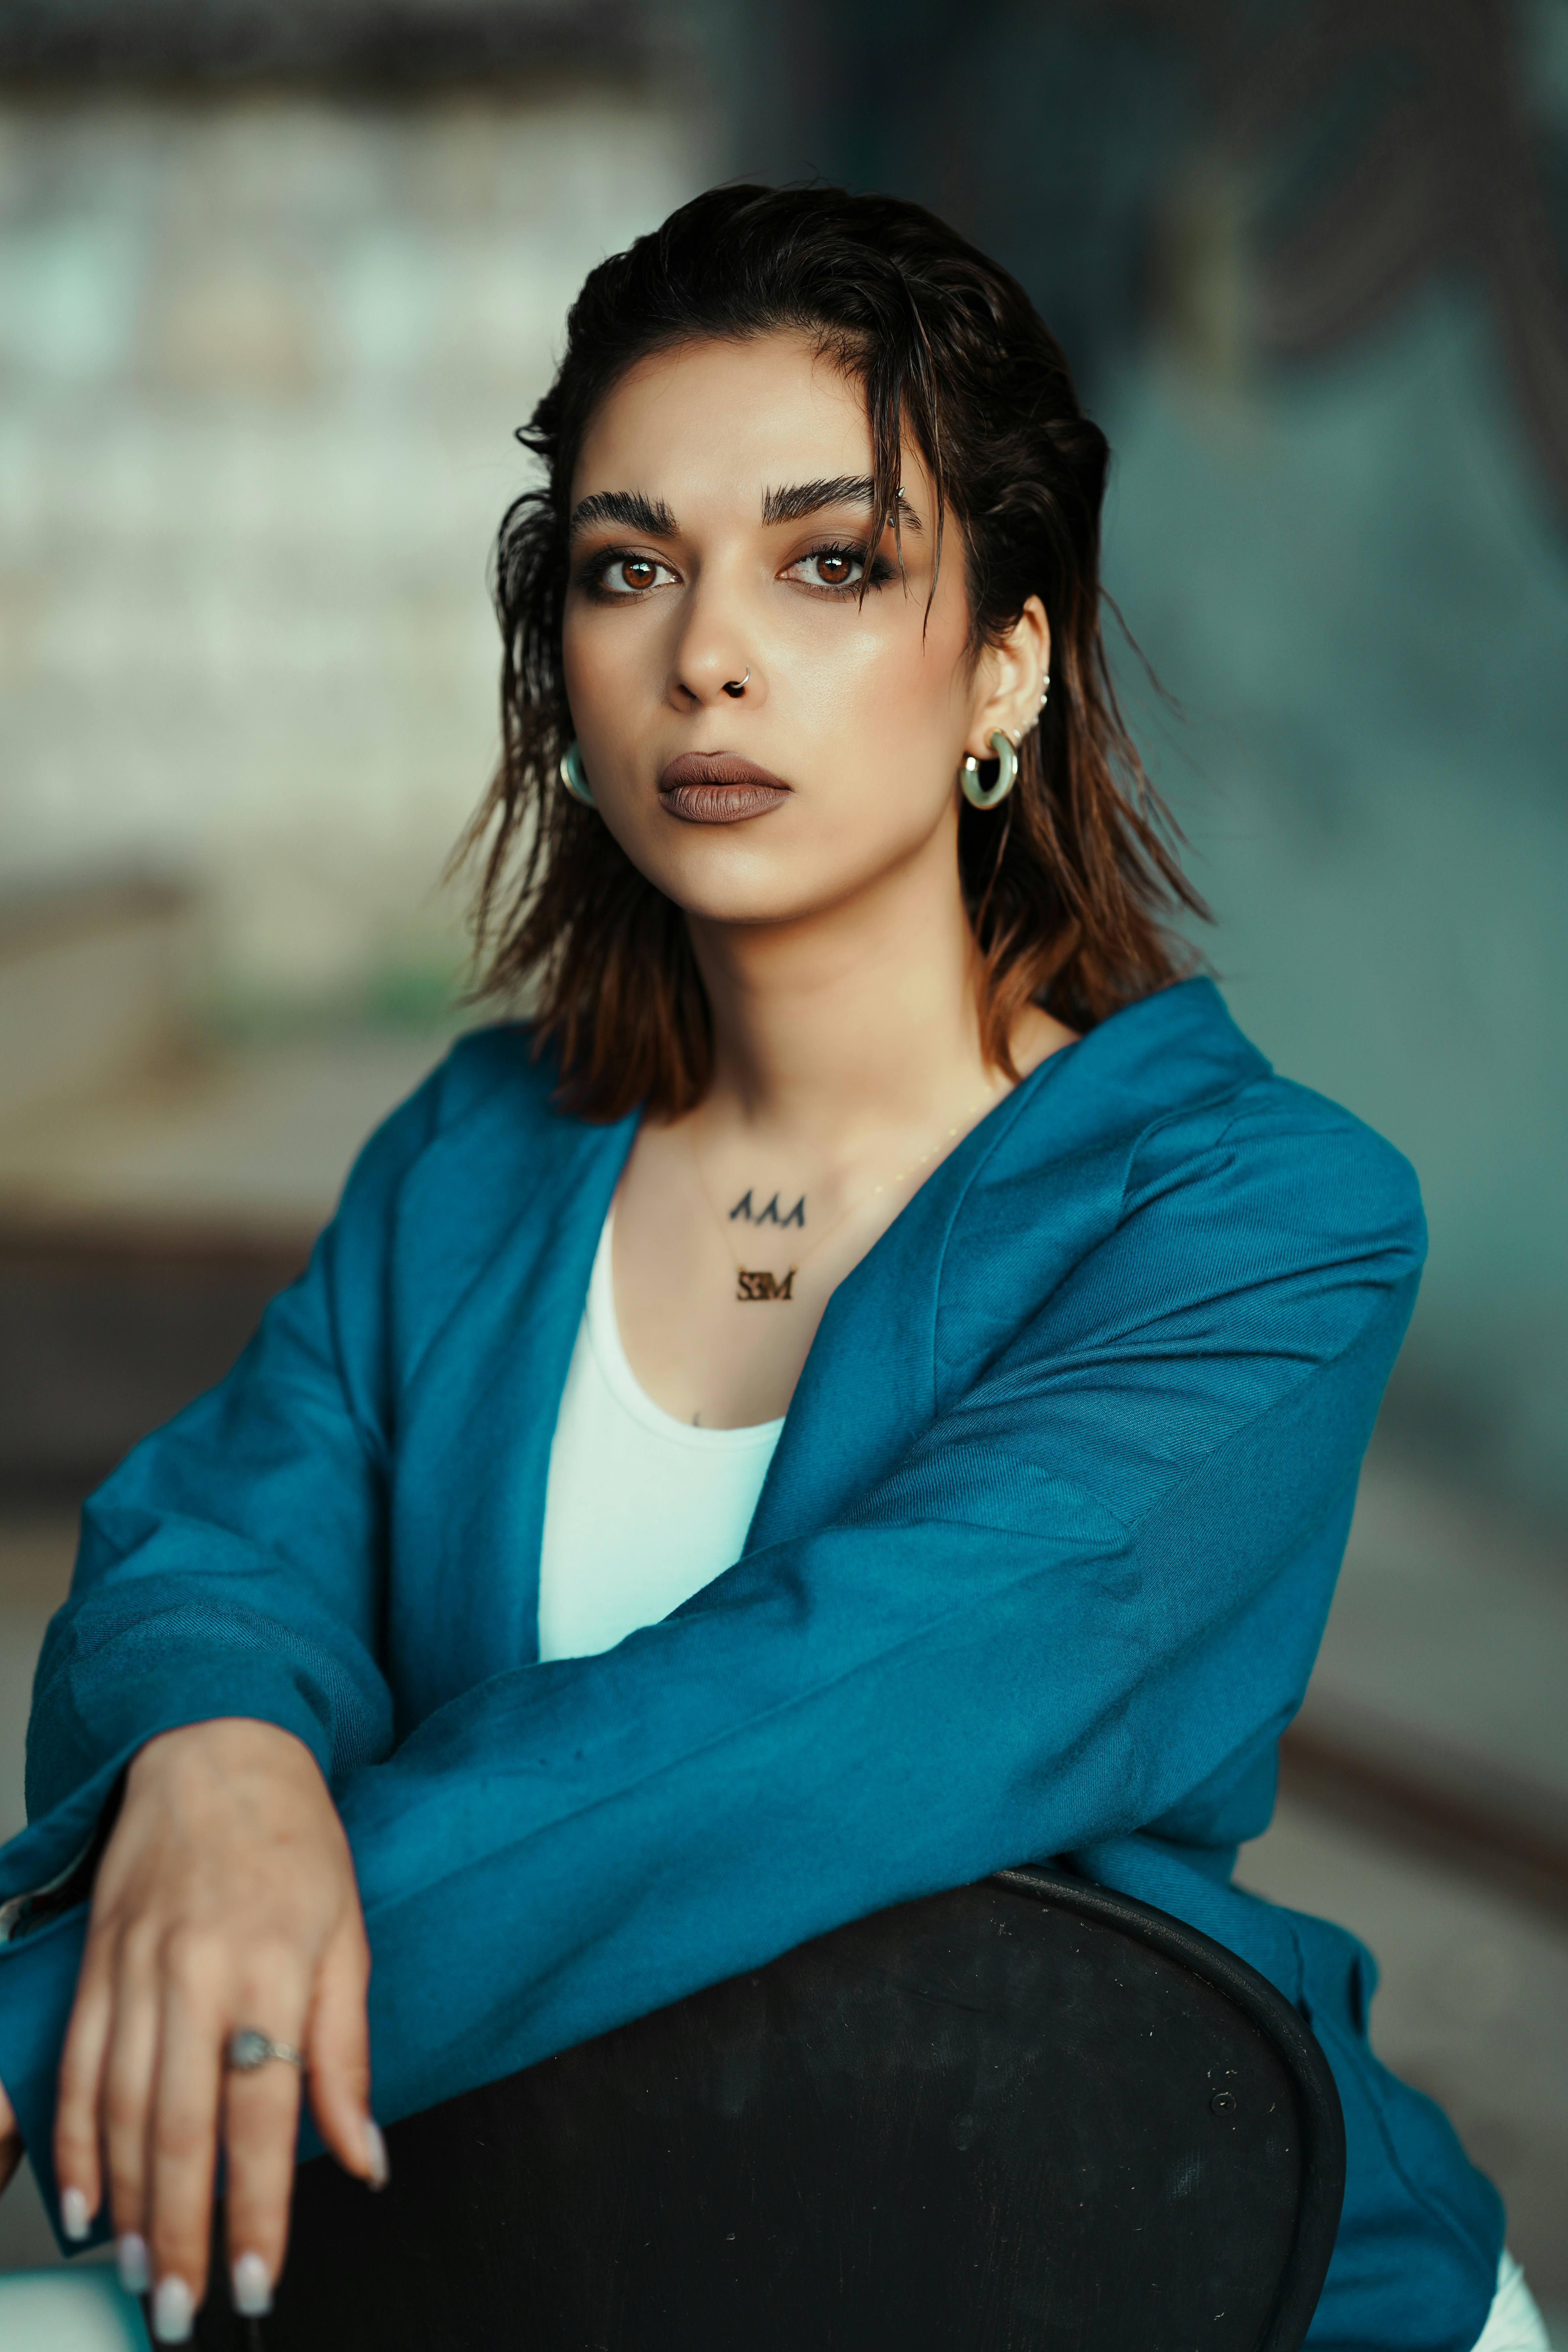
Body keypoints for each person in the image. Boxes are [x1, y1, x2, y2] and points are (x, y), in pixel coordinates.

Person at [0, 186, 1541, 2350]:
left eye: (834, 562)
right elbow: (208, 1548)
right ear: (563, 669)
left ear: (1009, 659)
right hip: (541, 2252)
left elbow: (811, 1725)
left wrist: (47, 2020)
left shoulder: (1251, 1223)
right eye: (634, 568)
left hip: (1149, 2267)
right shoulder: (477, 1155)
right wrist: (221, 1759)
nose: (708, 650)